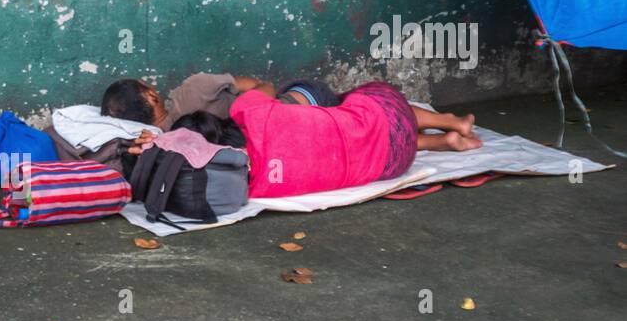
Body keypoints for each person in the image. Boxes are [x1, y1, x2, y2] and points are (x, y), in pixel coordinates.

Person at [127, 80, 482, 198]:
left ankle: (440, 142)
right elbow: (263, 89)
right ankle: (449, 122)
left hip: (391, 164)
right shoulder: (250, 111)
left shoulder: (251, 184)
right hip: (385, 123)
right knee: (365, 102)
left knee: (366, 136)